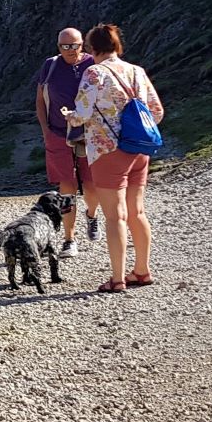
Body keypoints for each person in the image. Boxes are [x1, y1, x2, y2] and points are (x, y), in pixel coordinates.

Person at [63, 23, 165, 294]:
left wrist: (68, 116)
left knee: (114, 216)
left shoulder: (94, 73)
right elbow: (156, 111)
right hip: (138, 149)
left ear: (91, 49)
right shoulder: (137, 71)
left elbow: (82, 114)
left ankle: (117, 278)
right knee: (137, 212)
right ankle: (142, 271)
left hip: (107, 150)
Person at [33, 27, 97, 258]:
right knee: (66, 187)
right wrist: (45, 130)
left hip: (89, 135)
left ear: (83, 45)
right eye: (65, 46)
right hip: (59, 134)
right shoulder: (50, 66)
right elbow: (40, 100)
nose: (70, 50)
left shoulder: (93, 64)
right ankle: (70, 239)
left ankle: (91, 215)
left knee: (90, 185)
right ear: (58, 46)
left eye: (75, 45)